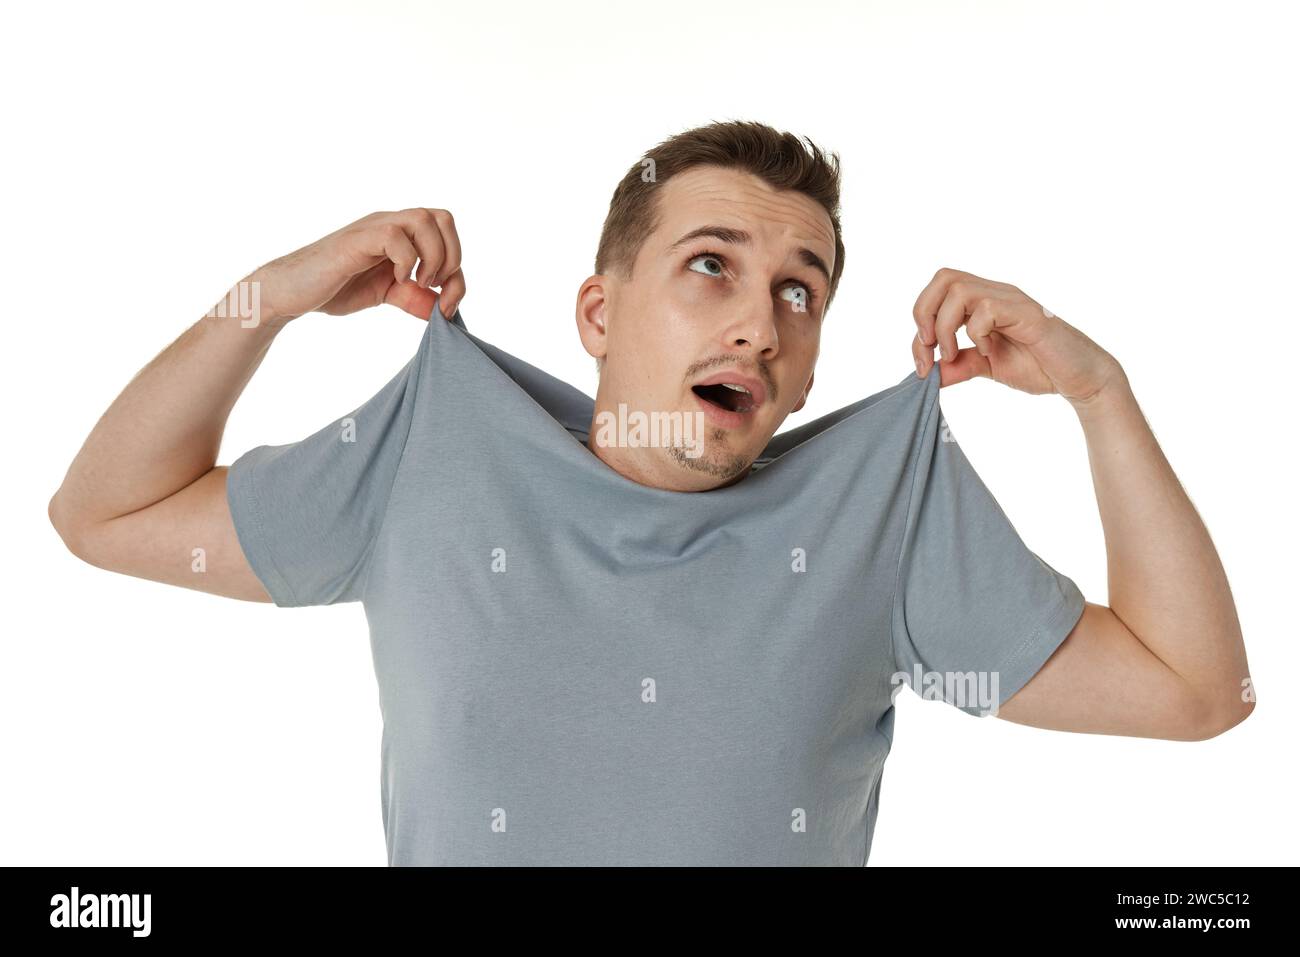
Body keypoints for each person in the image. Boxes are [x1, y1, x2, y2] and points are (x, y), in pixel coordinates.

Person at [47, 120, 1254, 865]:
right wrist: (275, 293)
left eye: (799, 291)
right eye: (710, 266)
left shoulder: (875, 512)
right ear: (599, 312)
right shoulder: (437, 453)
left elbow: (1195, 690)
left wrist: (1103, 396)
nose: (758, 321)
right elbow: (104, 513)